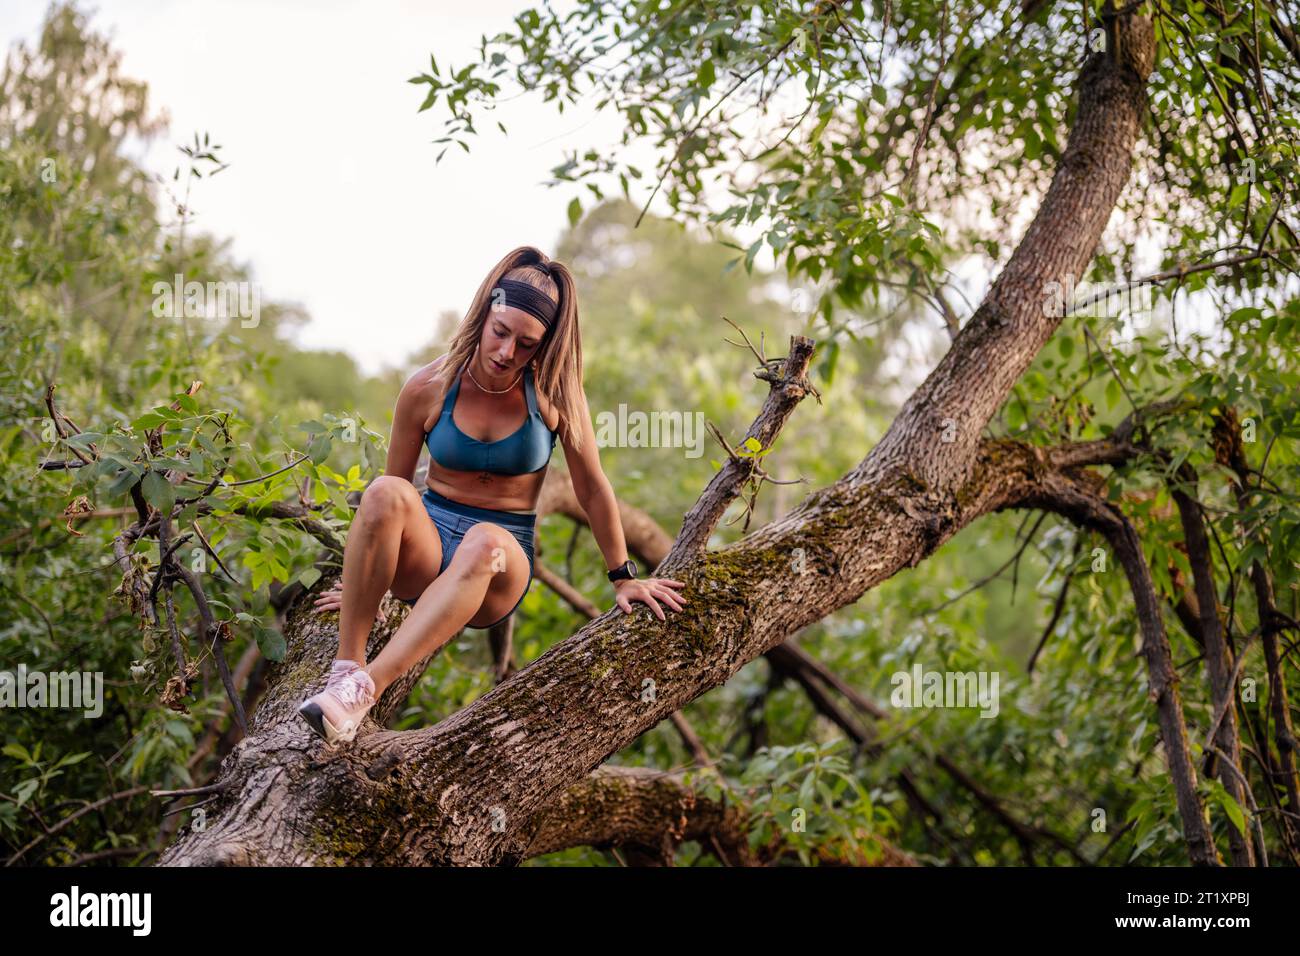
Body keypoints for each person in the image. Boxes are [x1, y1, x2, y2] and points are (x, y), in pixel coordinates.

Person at [298, 246, 688, 743]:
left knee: (484, 540)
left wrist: (623, 577)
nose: (507, 353)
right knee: (383, 491)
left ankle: (362, 692)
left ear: (544, 346)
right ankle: (345, 667)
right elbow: (391, 502)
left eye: (526, 345)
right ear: (483, 314)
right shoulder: (427, 387)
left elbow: (590, 486)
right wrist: (363, 589)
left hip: (498, 563)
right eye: (500, 332)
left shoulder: (554, 396)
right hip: (427, 548)